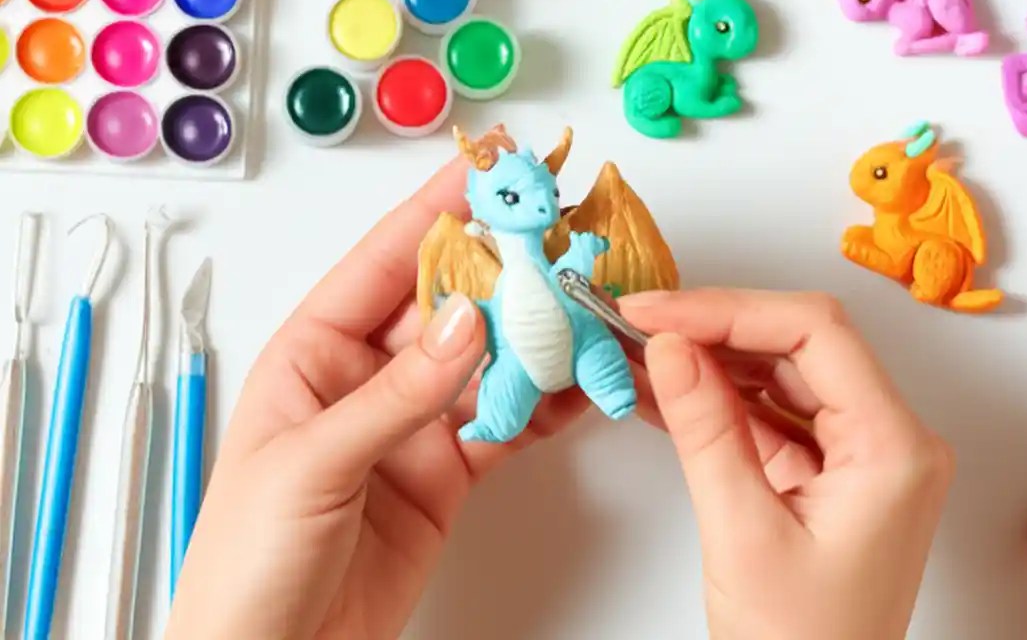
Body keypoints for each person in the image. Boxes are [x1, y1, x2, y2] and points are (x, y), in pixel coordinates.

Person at [166, 148, 956, 640]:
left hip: (578, 342)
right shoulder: (478, 265)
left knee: (606, 369)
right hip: (510, 353)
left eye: (544, 193)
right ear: (480, 214)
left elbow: (571, 257)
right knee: (502, 397)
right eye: (518, 201)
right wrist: (442, 349)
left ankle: (608, 393)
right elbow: (481, 309)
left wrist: (581, 247)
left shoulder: (560, 249)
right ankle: (496, 419)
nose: (541, 208)